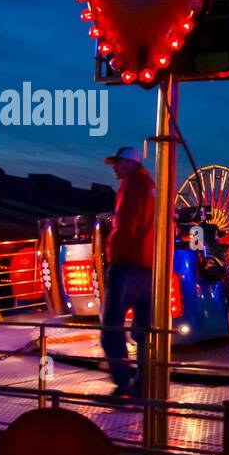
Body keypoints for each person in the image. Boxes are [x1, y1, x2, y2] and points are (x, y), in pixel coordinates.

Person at [100, 146, 155, 397]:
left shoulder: (132, 186)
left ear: (130, 164)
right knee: (144, 330)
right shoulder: (152, 187)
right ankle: (144, 380)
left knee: (111, 326)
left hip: (128, 265)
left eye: (117, 162)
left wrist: (113, 257)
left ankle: (123, 381)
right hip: (149, 267)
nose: (114, 167)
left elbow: (127, 225)